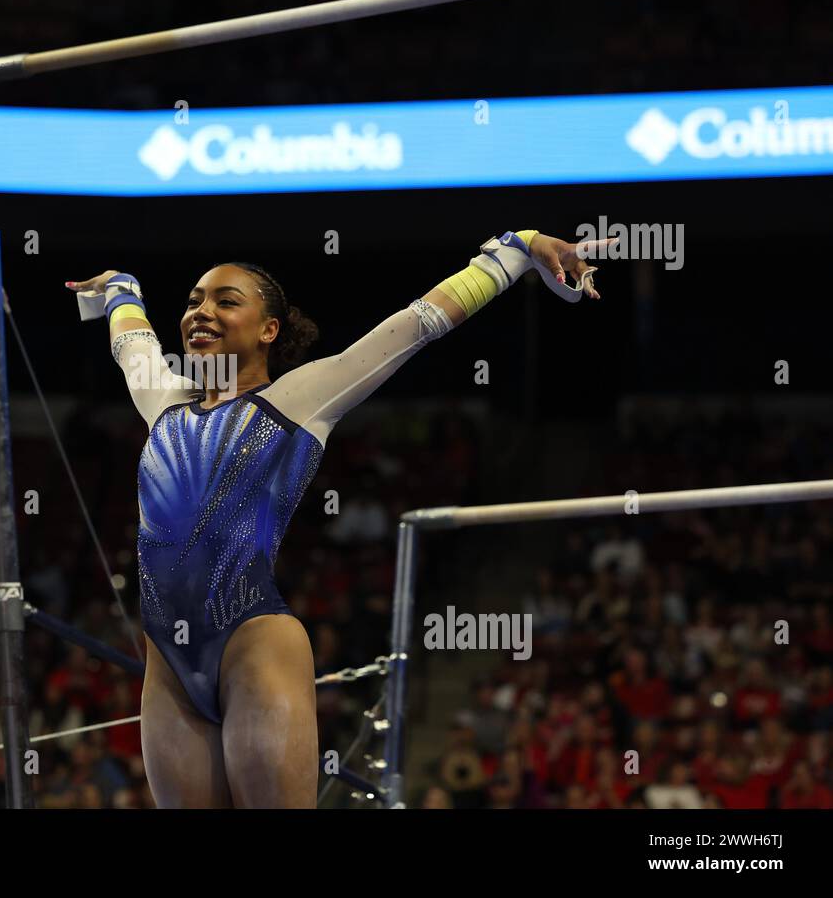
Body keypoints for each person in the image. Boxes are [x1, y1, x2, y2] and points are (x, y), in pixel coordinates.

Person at [66, 229, 601, 808]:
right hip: (167, 665)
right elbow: (132, 341)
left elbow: (417, 324)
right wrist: (119, 290)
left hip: (253, 641)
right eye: (195, 300)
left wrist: (516, 251)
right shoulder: (162, 401)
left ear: (269, 330)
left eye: (226, 301)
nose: (202, 311)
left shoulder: (298, 398)